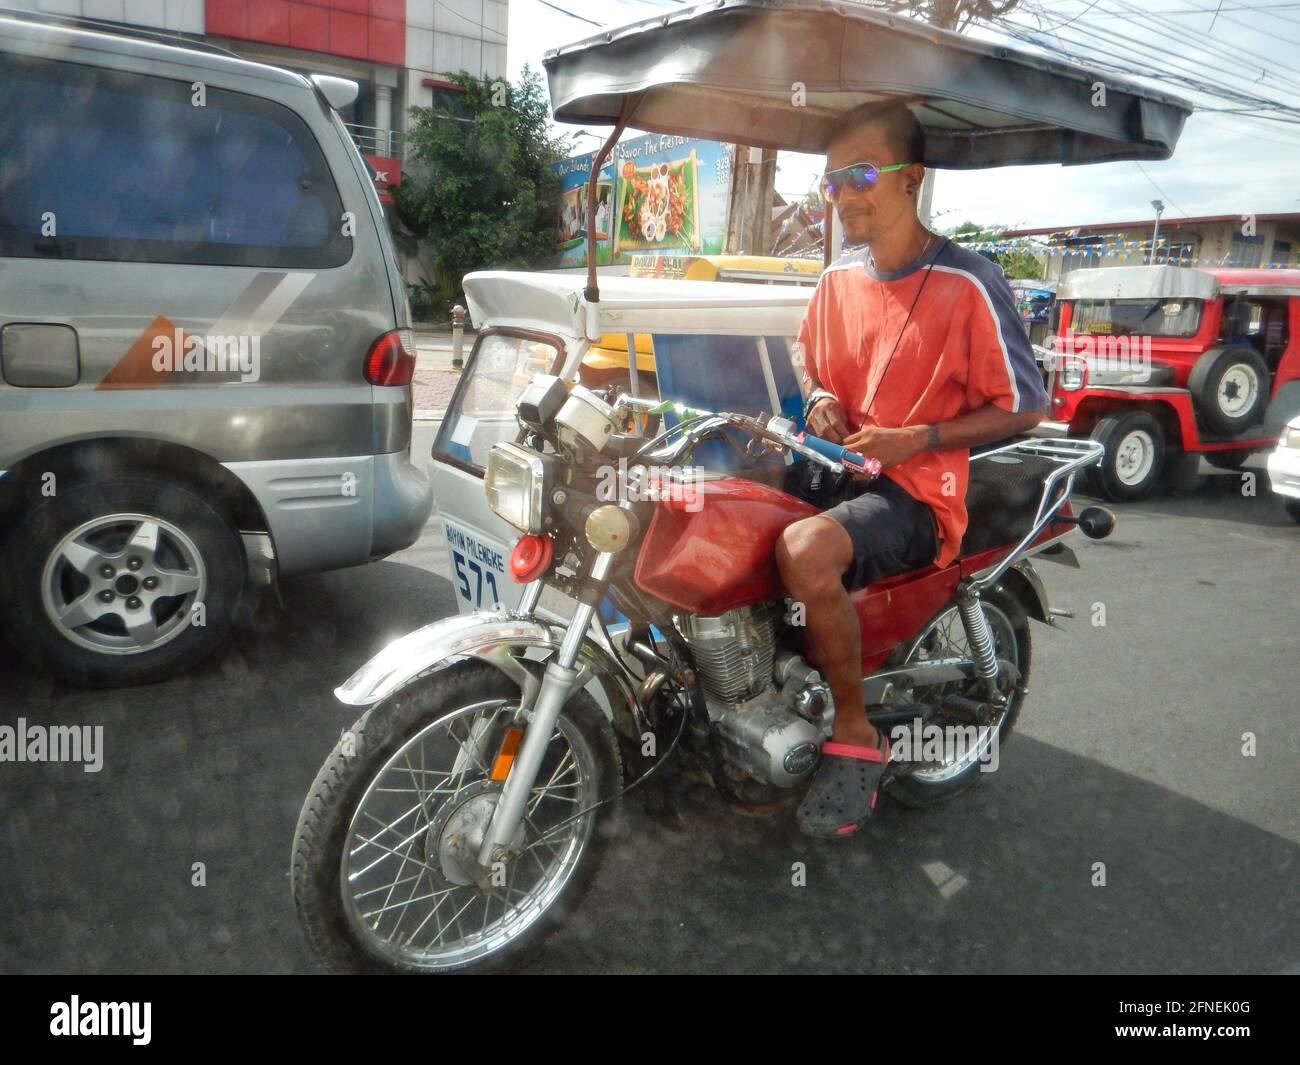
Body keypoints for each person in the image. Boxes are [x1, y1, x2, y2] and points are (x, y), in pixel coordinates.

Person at [777, 101, 1049, 839]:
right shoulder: (836, 280)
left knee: (804, 550)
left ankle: (856, 729)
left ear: (912, 179)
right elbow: (805, 354)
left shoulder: (970, 282)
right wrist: (822, 395)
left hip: (920, 490)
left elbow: (1024, 404)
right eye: (833, 180)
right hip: (833, 465)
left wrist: (917, 438)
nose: (844, 194)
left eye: (862, 173)